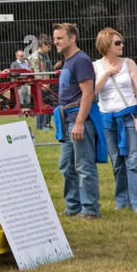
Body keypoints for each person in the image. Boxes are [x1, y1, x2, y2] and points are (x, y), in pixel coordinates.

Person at [93, 27, 137, 214]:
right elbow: (92, 92)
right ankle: (122, 201)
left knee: (133, 161)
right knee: (117, 161)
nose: (122, 45)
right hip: (107, 119)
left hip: (129, 116)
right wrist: (107, 73)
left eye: (121, 42)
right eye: (117, 43)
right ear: (106, 45)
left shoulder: (129, 63)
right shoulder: (96, 66)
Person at [53, 22, 100, 218]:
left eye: (60, 38)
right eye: (55, 38)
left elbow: (88, 93)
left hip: (78, 121)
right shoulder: (68, 61)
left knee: (84, 166)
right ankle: (73, 208)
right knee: (67, 166)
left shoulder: (81, 60)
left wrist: (80, 122)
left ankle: (90, 210)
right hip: (67, 122)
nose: (55, 41)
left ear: (73, 38)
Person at [29, 35, 55, 130]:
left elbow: (47, 69)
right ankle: (42, 125)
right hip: (40, 85)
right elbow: (36, 72)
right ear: (43, 45)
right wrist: (41, 84)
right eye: (48, 46)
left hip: (46, 83)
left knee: (46, 102)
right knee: (43, 102)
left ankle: (45, 124)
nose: (50, 48)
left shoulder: (45, 55)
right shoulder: (35, 57)